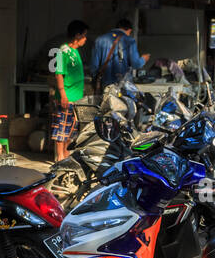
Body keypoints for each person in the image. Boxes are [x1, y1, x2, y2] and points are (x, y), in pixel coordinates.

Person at [50, 20, 88, 161]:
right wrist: (63, 95)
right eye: (84, 35)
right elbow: (59, 73)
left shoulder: (75, 52)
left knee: (71, 130)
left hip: (76, 97)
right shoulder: (62, 51)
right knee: (61, 128)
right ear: (77, 35)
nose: (85, 39)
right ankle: (60, 156)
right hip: (67, 96)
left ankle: (66, 155)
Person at [90, 18, 150, 92]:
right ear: (129, 30)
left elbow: (94, 67)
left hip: (104, 85)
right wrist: (143, 59)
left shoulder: (99, 40)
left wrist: (96, 81)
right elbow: (136, 64)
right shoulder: (130, 41)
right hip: (122, 86)